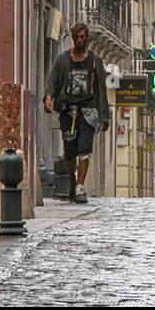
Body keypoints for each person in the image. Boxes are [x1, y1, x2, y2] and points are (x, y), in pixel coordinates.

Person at [43, 22, 110, 204]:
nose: (80, 40)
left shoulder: (95, 61)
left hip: (89, 111)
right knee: (70, 151)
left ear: (87, 38)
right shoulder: (63, 60)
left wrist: (104, 116)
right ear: (73, 38)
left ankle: (80, 187)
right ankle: (72, 181)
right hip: (67, 110)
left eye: (83, 37)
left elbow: (102, 89)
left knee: (85, 150)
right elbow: (53, 80)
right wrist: (49, 97)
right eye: (77, 37)